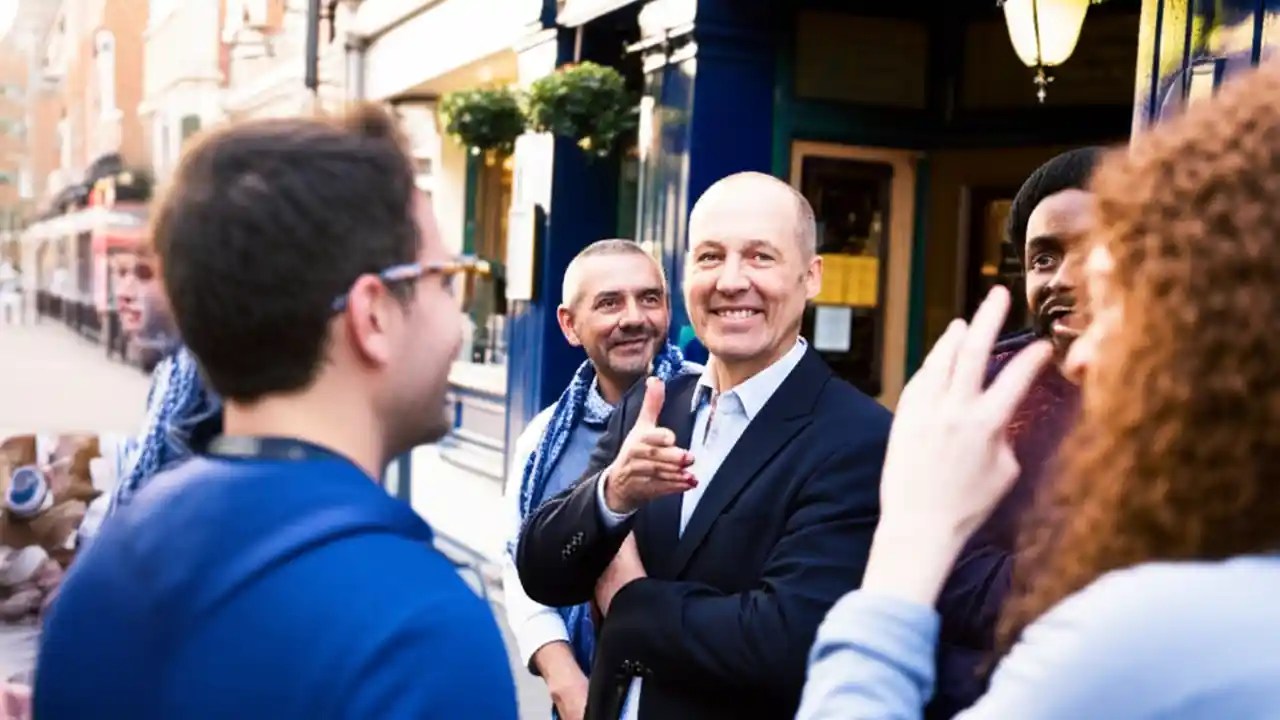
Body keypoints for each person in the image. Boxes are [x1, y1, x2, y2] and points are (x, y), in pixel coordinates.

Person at [798, 61, 1280, 718]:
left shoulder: (1158, 632)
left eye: (1134, 294)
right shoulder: (982, 391)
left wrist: (912, 538)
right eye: (1043, 258)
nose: (1088, 359)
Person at [36, 105, 518, 719]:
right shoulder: (419, 631)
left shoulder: (101, 574)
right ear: (373, 316)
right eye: (446, 281)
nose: (459, 322)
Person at [517, 171, 892, 720]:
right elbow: (543, 571)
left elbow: (784, 644)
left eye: (760, 257)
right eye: (710, 257)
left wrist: (628, 598)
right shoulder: (654, 404)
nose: (731, 281)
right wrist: (612, 494)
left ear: (811, 276)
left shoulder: (859, 438)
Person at [930, 147, 1099, 718]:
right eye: (1043, 259)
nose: (1062, 279)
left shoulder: (1203, 397)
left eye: (1095, 252)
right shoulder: (977, 393)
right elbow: (944, 571)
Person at [503, 239, 701, 720]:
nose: (633, 317)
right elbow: (517, 563)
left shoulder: (711, 408)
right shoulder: (542, 439)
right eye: (609, 303)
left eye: (649, 298)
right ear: (570, 325)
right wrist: (565, 681)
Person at [75, 247, 221, 549]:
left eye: (144, 274)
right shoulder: (172, 366)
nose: (124, 293)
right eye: (120, 272)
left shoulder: (203, 374)